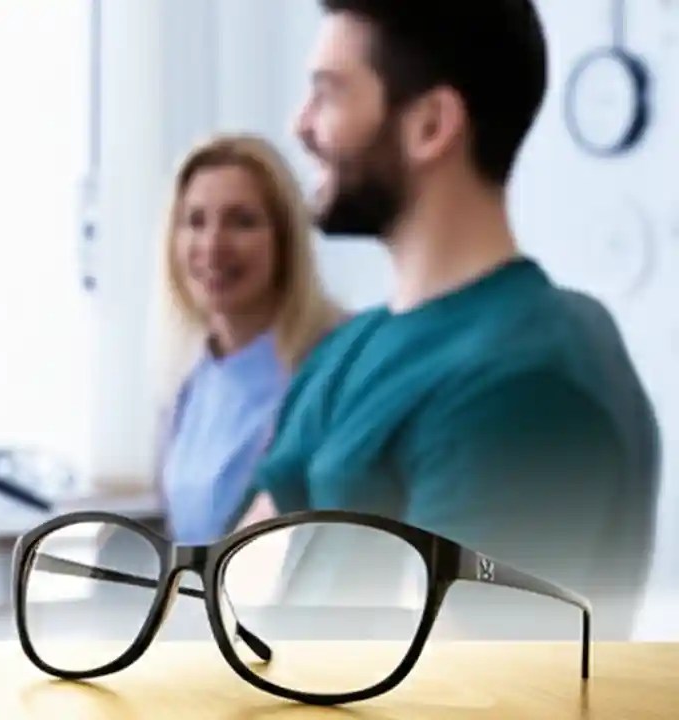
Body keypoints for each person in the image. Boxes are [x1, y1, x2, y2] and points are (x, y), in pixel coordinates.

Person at [247, 0, 660, 640]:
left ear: (431, 125)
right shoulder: (349, 349)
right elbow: (230, 585)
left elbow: (474, 693)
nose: (299, 125)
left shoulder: (527, 384)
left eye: (328, 94)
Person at [154, 134, 343, 545]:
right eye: (196, 221)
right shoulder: (189, 385)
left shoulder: (332, 368)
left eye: (242, 221)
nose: (213, 246)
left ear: (285, 239)